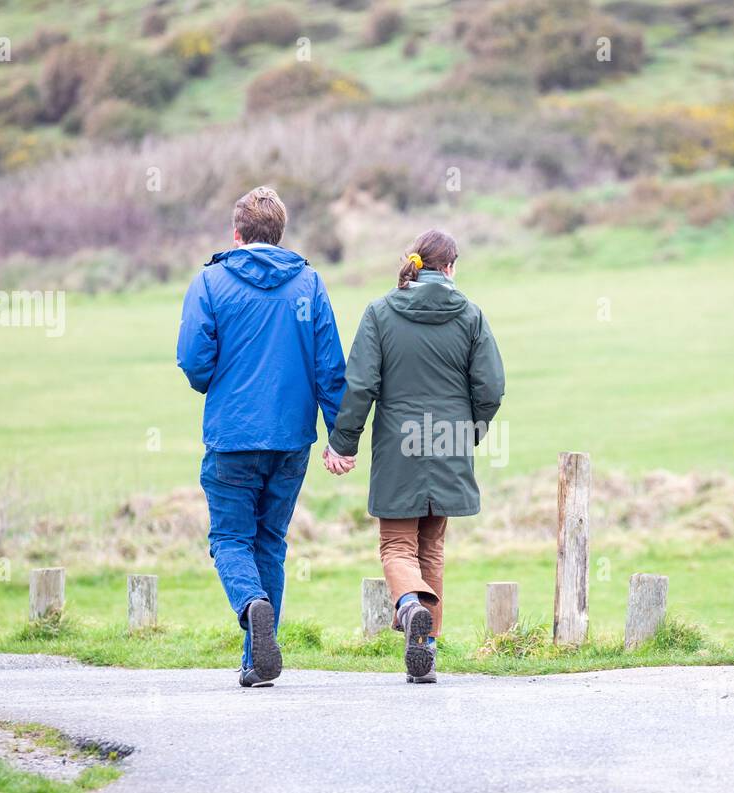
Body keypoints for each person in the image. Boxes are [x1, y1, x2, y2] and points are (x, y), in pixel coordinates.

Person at [176, 186, 347, 688]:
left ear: (236, 233)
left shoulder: (209, 282)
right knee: (269, 540)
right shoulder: (309, 284)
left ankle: (251, 606)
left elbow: (193, 360)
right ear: (280, 232)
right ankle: (257, 659)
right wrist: (340, 435)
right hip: (292, 438)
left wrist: (216, 380)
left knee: (230, 538)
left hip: (231, 435)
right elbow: (330, 367)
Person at [326, 230, 505, 684]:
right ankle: (426, 647)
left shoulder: (381, 312)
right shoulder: (470, 314)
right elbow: (491, 388)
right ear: (450, 267)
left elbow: (361, 385)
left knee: (396, 546)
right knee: (432, 548)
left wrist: (343, 443)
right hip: (449, 439)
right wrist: (470, 431)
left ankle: (408, 608)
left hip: (397, 445)